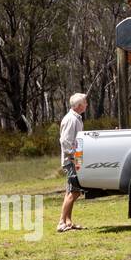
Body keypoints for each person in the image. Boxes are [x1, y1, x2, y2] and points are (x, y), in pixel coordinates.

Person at [58, 92, 88, 233]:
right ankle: (61, 223)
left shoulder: (77, 118)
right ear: (79, 105)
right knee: (74, 192)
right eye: (85, 102)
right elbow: (65, 141)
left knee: (70, 191)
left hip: (75, 159)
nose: (87, 104)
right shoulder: (71, 119)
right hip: (71, 160)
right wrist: (73, 157)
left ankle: (68, 222)